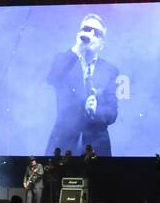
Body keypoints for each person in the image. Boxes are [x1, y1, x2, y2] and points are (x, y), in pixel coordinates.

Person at [45, 13, 120, 156]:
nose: (90, 34)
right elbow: (53, 78)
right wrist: (77, 48)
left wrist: (95, 111)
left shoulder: (110, 70)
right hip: (63, 140)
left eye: (96, 33)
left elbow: (112, 113)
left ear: (102, 45)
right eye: (86, 29)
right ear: (78, 34)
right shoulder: (64, 60)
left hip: (96, 143)